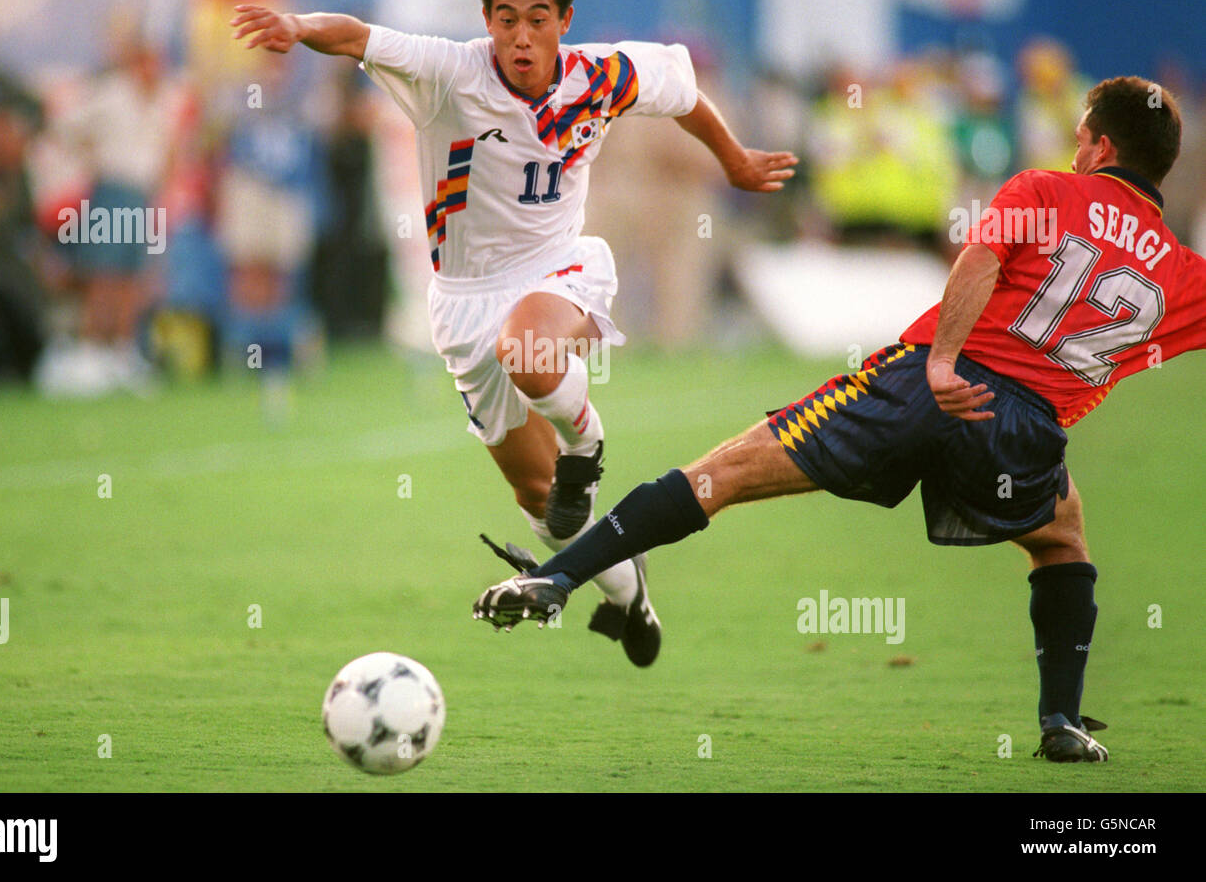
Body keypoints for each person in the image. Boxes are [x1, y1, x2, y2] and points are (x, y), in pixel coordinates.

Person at [473, 75, 1206, 761]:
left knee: (722, 474)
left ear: (1102, 147)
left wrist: (946, 361)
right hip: (1023, 436)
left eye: (1082, 137)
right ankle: (1061, 721)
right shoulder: (1179, 272)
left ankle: (560, 579)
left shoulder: (1047, 189)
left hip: (924, 386)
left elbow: (981, 259)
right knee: (1063, 539)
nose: (1076, 148)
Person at [232, 0, 796, 667]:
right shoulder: (450, 72)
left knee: (528, 353)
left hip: (559, 269)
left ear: (565, 18)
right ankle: (630, 596)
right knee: (546, 512)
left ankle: (586, 444)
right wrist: (301, 27)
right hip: (462, 301)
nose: (519, 35)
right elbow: (358, 36)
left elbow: (685, 93)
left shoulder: (603, 73)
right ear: (487, 19)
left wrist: (735, 161)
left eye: (536, 17)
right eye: (505, 18)